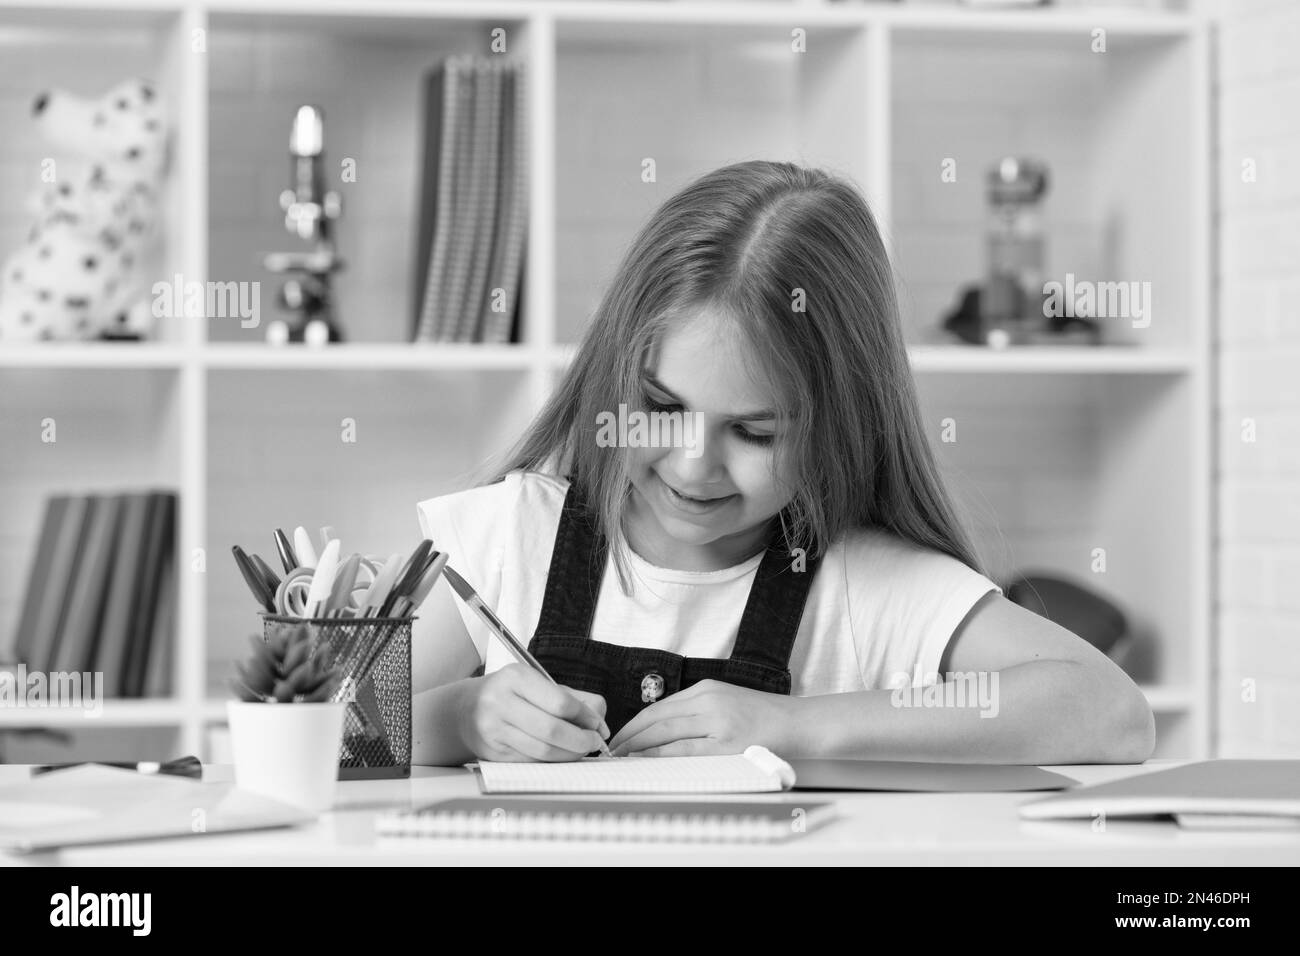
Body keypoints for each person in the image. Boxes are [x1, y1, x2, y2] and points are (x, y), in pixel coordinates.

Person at [411, 160, 1156, 766]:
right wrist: (461, 717)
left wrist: (798, 727)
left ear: (839, 427)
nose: (693, 466)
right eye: (662, 409)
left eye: (756, 433)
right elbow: (333, 729)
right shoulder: (510, 538)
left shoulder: (863, 584)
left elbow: (1108, 710)